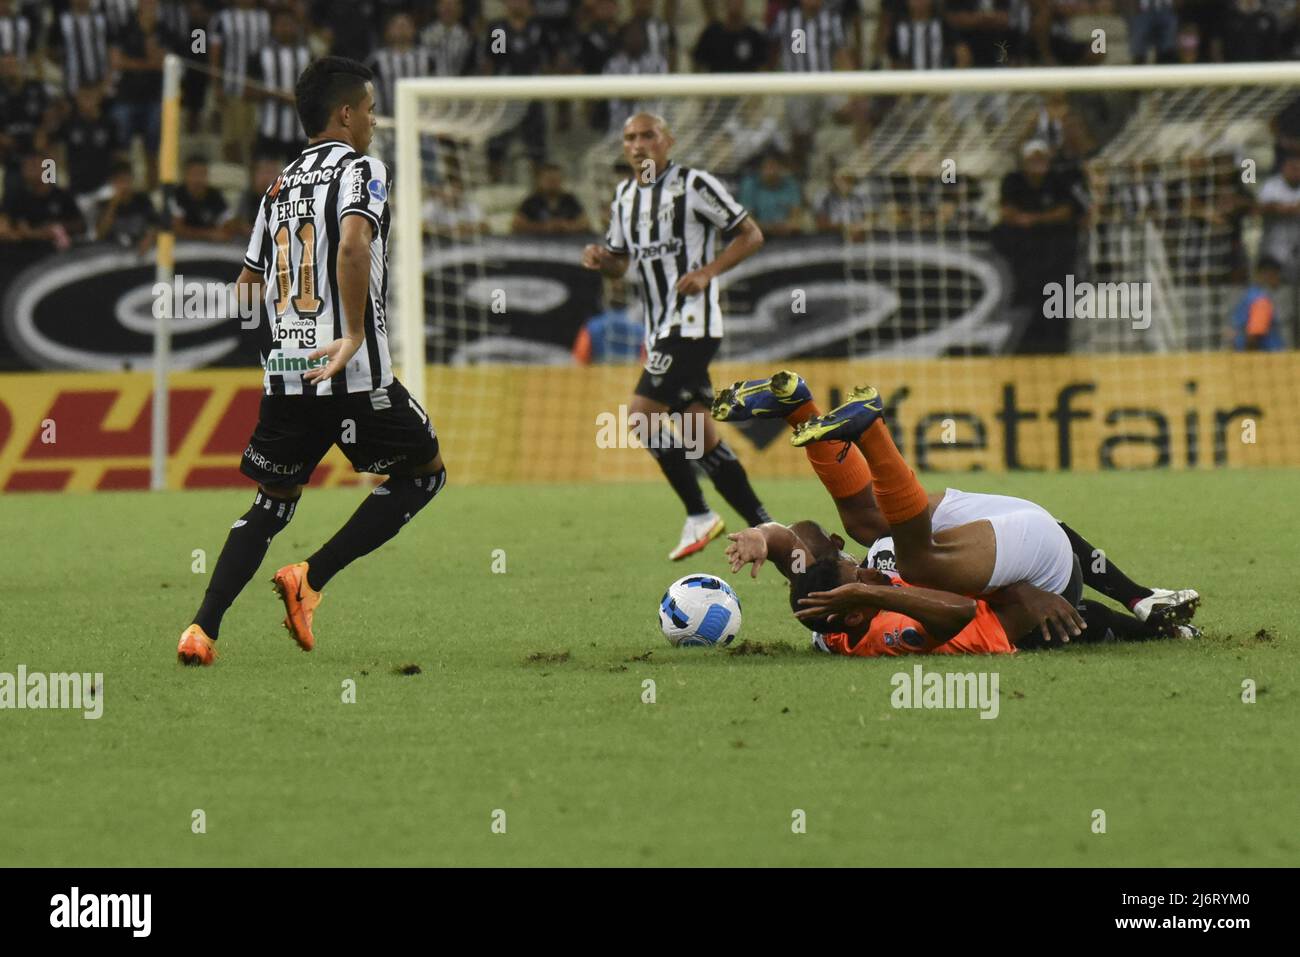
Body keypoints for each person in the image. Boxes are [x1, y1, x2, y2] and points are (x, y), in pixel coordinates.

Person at [177, 57, 447, 666]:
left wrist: (277, 352)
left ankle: (202, 629)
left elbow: (246, 284)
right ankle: (311, 576)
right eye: (371, 110)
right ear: (346, 113)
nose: (374, 122)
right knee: (424, 473)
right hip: (355, 370)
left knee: (271, 502)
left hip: (290, 372)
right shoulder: (362, 170)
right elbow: (354, 244)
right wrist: (350, 332)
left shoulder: (278, 184)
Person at [712, 370, 1201, 653]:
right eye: (854, 573)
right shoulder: (887, 630)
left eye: (852, 567)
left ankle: (803, 409)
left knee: (867, 526)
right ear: (854, 606)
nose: (859, 563)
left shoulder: (841, 610)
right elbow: (967, 609)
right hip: (1037, 561)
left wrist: (764, 536)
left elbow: (799, 539)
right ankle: (869, 429)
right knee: (913, 560)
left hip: (1005, 547)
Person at [580, 112, 772, 560]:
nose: (638, 144)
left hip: (693, 326)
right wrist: (599, 258)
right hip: (661, 327)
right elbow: (620, 262)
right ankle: (767, 525)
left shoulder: (695, 185)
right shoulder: (625, 196)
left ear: (668, 141)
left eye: (648, 135)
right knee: (696, 433)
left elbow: (751, 234)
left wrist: (707, 272)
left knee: (642, 417)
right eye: (630, 138)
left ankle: (699, 513)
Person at [512, 162, 588, 234]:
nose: (553, 183)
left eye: (556, 180)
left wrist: (567, 226)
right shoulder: (531, 201)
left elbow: (585, 223)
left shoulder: (570, 200)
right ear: (540, 181)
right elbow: (516, 225)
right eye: (549, 180)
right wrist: (543, 227)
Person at [1230, 255, 1286, 351]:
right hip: (1266, 360)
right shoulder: (1261, 300)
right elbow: (1254, 335)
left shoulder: (1249, 295)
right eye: (1277, 275)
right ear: (1268, 275)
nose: (1279, 280)